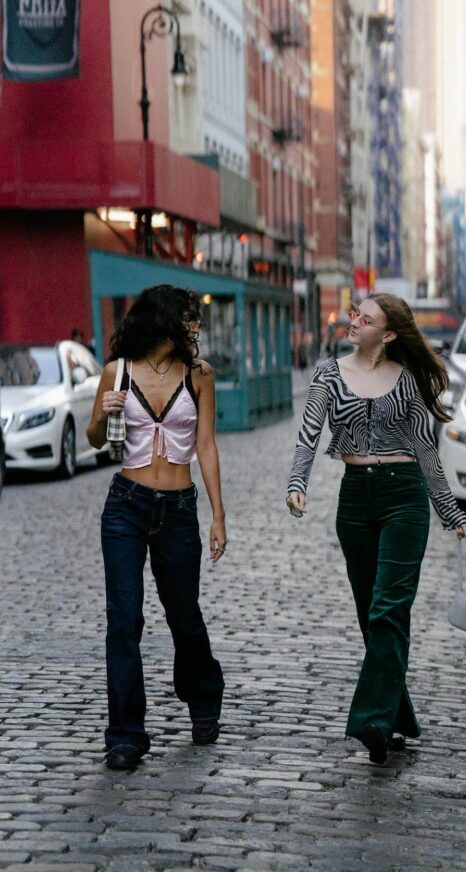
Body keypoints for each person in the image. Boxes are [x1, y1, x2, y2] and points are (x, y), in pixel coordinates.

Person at [286, 293, 466, 765]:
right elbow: (309, 434)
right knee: (373, 615)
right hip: (354, 500)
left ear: (388, 334)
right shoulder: (328, 374)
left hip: (403, 498)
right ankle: (397, 716)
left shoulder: (408, 382)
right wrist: (297, 483)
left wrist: (450, 514)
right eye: (354, 314)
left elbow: (427, 453)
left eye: (365, 319)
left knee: (389, 607)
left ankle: (372, 720)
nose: (354, 322)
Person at [87, 285, 228, 772]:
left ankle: (204, 693)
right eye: (188, 318)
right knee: (124, 620)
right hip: (126, 505)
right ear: (165, 320)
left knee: (183, 613)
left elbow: (206, 445)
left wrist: (218, 515)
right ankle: (125, 735)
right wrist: (103, 414)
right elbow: (93, 439)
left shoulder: (200, 376)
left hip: (179, 509)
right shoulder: (118, 371)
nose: (195, 327)